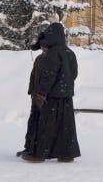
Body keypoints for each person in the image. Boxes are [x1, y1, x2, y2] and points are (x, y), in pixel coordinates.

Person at [21, 22, 81, 163]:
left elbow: (48, 76)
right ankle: (66, 154)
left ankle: (38, 154)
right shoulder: (69, 53)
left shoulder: (52, 54)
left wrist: (41, 94)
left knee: (45, 126)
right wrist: (65, 87)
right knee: (65, 128)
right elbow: (74, 73)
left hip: (50, 97)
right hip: (65, 96)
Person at [17, 32, 47, 158]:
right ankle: (28, 146)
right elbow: (34, 76)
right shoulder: (40, 58)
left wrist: (42, 93)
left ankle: (36, 149)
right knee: (32, 122)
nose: (42, 48)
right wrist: (31, 90)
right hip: (35, 94)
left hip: (42, 96)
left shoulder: (49, 59)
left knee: (39, 123)